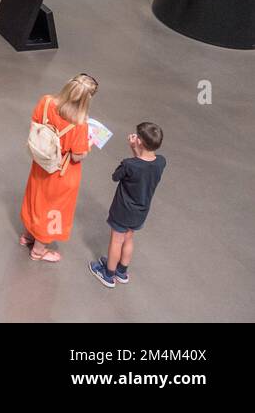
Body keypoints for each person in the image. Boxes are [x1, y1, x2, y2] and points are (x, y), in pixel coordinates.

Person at [19, 73, 98, 262]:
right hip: (61, 173)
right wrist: (89, 143)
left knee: (35, 198)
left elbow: (35, 124)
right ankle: (39, 250)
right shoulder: (80, 125)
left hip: (41, 163)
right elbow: (77, 155)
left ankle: (28, 235)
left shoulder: (46, 102)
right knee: (53, 209)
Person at [91, 122, 166, 287]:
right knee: (129, 238)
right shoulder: (161, 162)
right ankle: (122, 271)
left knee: (116, 240)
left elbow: (115, 177)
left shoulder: (128, 164)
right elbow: (143, 164)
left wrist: (132, 151)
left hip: (123, 209)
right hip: (141, 211)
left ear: (139, 141)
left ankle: (108, 274)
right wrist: (135, 149)